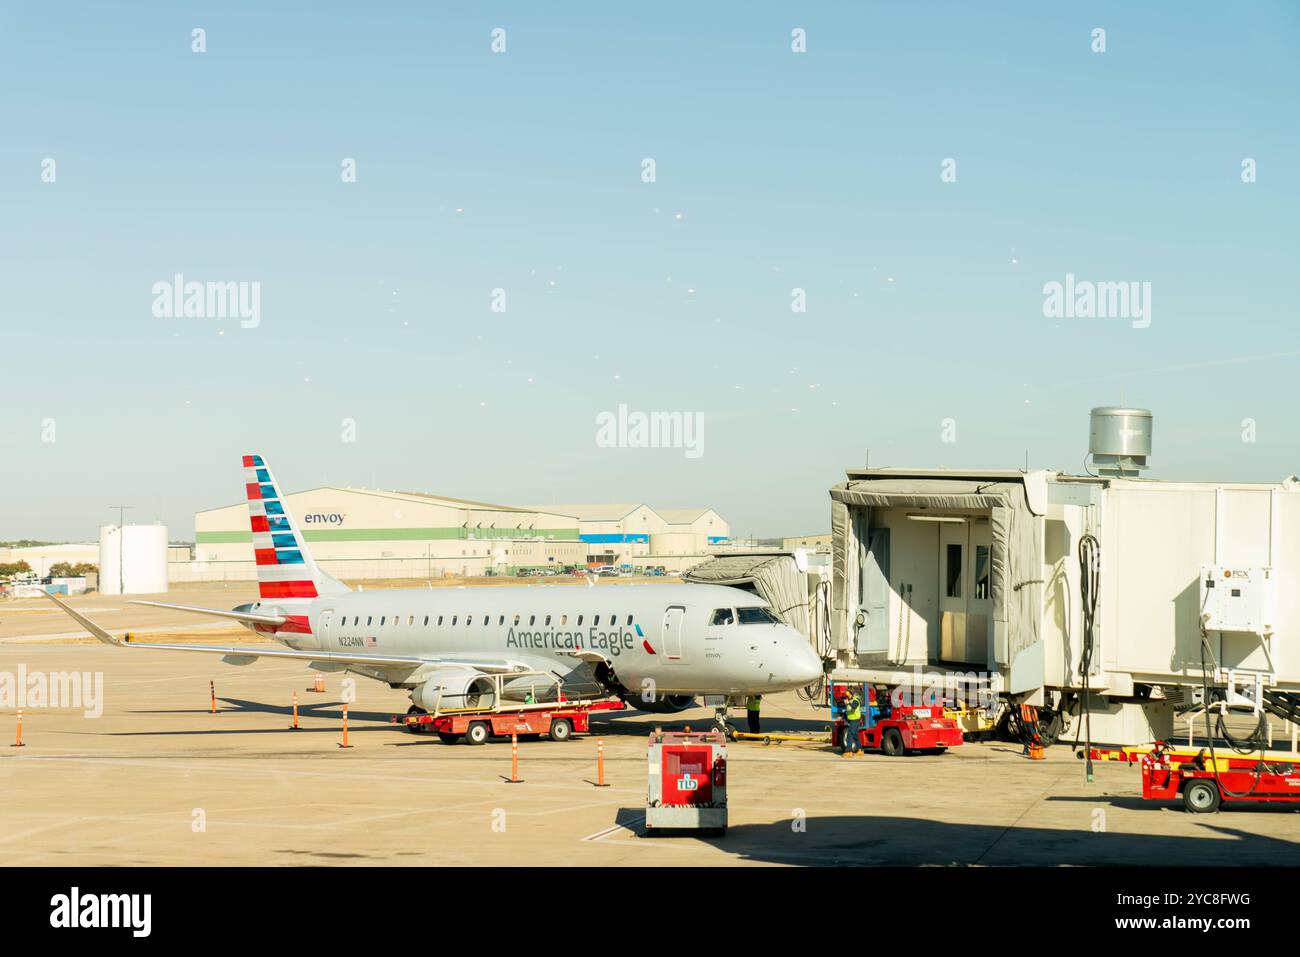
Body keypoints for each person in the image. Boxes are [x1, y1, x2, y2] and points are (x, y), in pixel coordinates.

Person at [843, 687, 864, 757]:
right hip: (851, 719)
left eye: (848, 693)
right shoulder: (849, 700)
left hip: (855, 719)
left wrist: (848, 703)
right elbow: (849, 710)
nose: (847, 695)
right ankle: (860, 749)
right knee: (855, 734)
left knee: (850, 734)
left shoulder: (856, 700)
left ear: (851, 693)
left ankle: (849, 751)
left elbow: (854, 706)